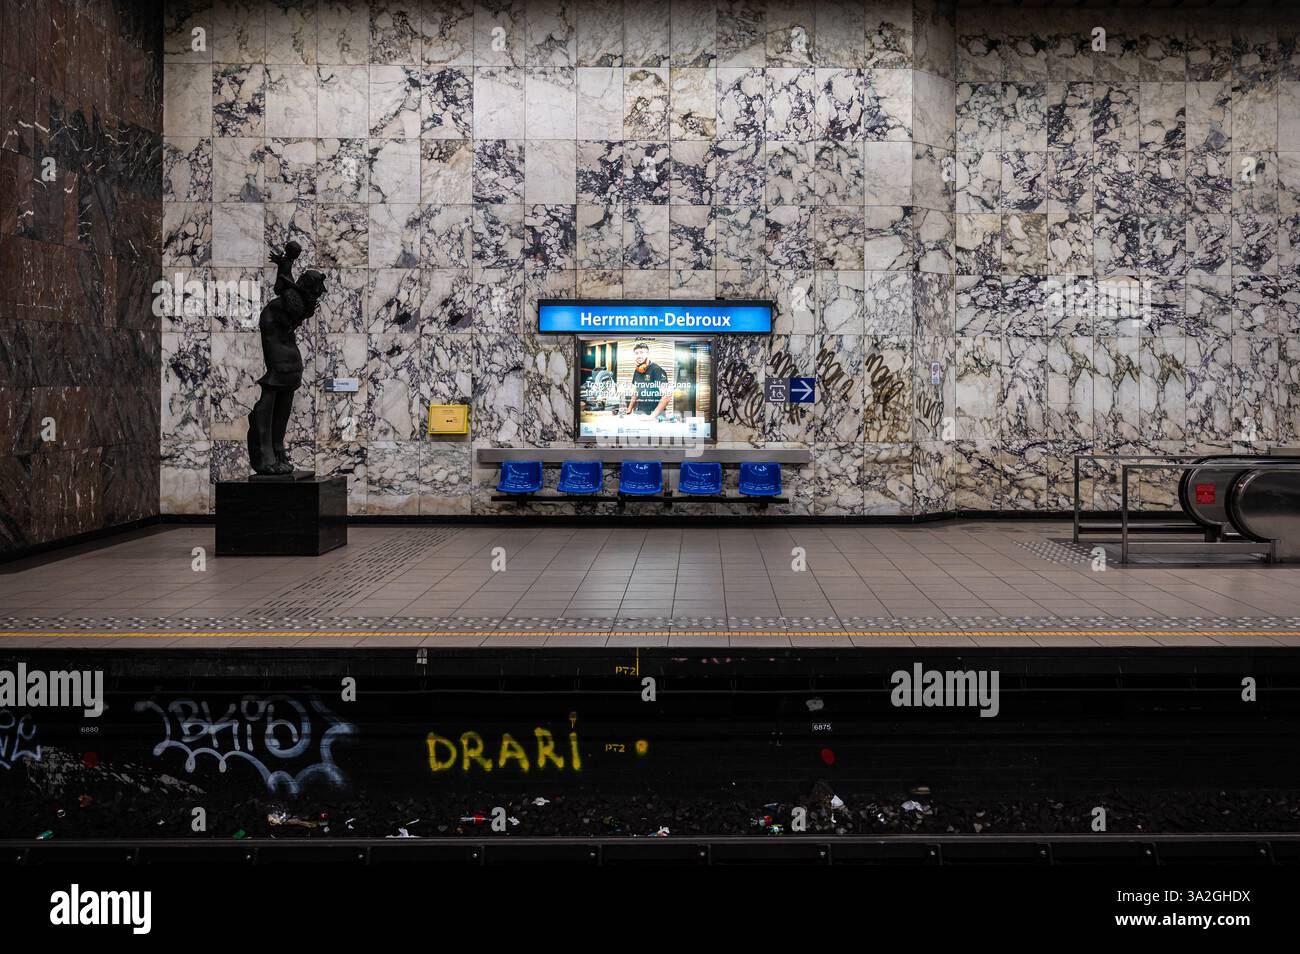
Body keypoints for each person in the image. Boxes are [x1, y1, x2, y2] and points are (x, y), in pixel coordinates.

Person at [246, 241, 326, 475]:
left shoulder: (297, 297)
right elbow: (285, 286)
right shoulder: (290, 298)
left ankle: (277, 449)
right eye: (315, 291)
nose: (317, 296)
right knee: (272, 394)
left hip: (287, 348)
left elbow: (287, 283)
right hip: (278, 345)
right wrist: (286, 262)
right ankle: (264, 454)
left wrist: (286, 263)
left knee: (286, 390)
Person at [624, 342, 671, 419]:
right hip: (640, 413)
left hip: (655, 415)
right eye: (636, 353)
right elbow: (635, 393)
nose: (639, 355)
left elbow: (667, 396)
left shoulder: (656, 370)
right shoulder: (637, 371)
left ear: (648, 354)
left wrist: (652, 416)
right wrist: (629, 409)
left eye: (642, 352)